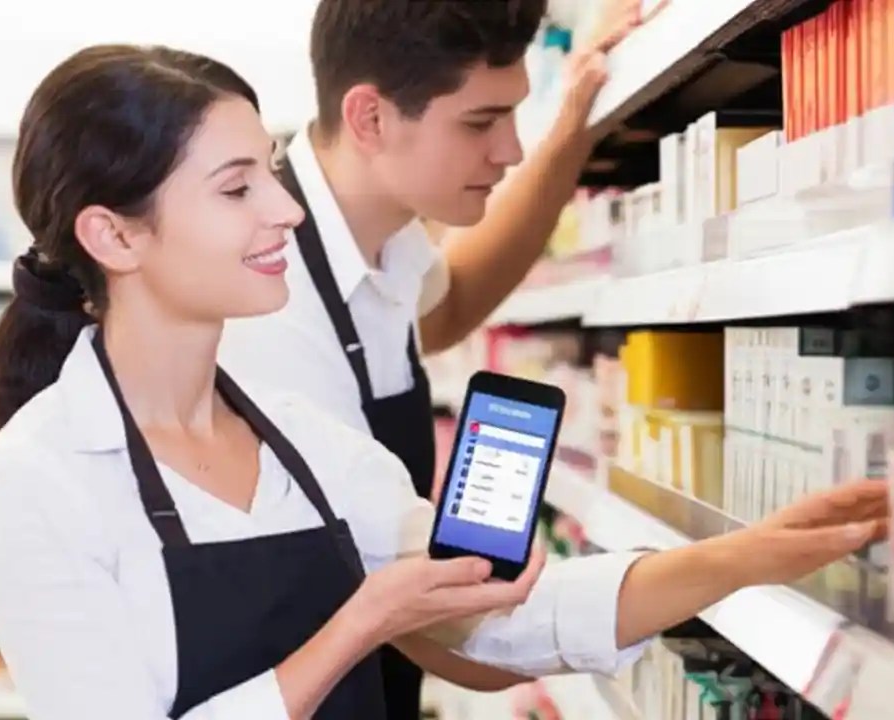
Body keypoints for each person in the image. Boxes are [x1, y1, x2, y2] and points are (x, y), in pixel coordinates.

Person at [0, 44, 888, 720]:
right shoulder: (39, 482)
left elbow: (503, 615)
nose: (287, 210)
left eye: (275, 176)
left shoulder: (299, 439)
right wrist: (358, 624)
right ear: (114, 235)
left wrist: (753, 555)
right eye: (237, 188)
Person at [215, 3, 641, 710]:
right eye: (480, 122)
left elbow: (449, 305)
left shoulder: (383, 236)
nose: (508, 150)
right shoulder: (272, 307)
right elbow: (436, 627)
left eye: (513, 117)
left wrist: (576, 123)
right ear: (371, 118)